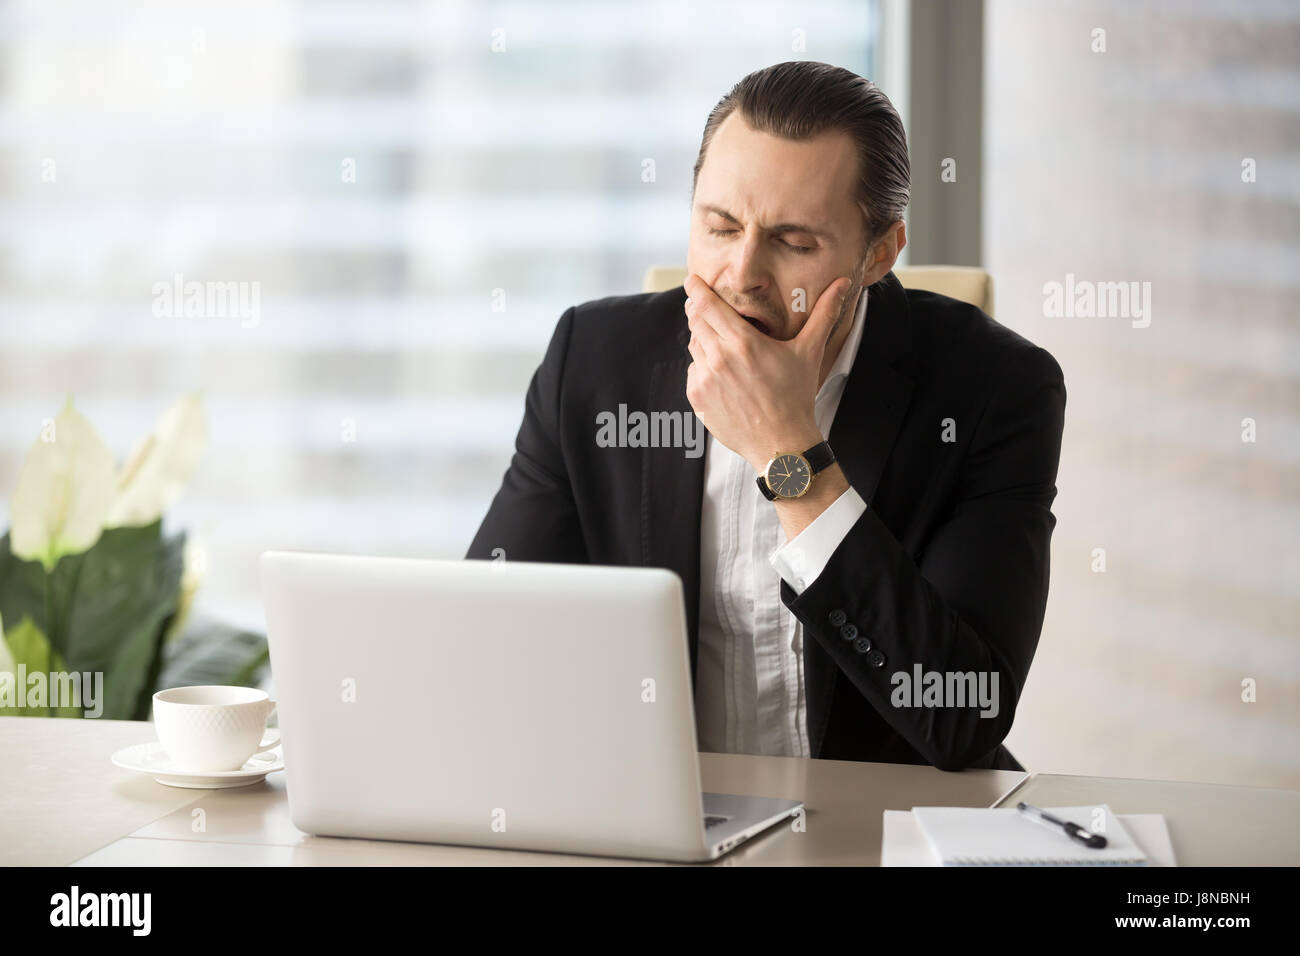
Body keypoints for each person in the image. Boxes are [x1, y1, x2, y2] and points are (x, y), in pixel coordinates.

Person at [467, 61, 1065, 772]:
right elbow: (489, 643)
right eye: (720, 227)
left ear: (880, 254)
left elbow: (963, 716)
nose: (742, 274)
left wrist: (792, 453)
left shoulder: (997, 389)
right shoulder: (593, 365)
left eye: (793, 243)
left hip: (883, 827)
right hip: (666, 821)